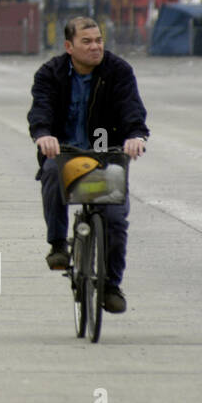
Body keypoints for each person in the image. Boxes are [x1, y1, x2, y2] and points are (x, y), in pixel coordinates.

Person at [27, 16, 149, 313]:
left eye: (98, 41)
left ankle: (111, 286)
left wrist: (135, 136)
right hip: (65, 153)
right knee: (52, 172)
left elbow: (131, 108)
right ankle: (58, 245)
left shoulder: (118, 71)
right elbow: (40, 109)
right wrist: (44, 135)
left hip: (107, 155)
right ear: (69, 46)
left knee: (115, 219)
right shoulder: (50, 73)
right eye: (87, 42)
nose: (95, 47)